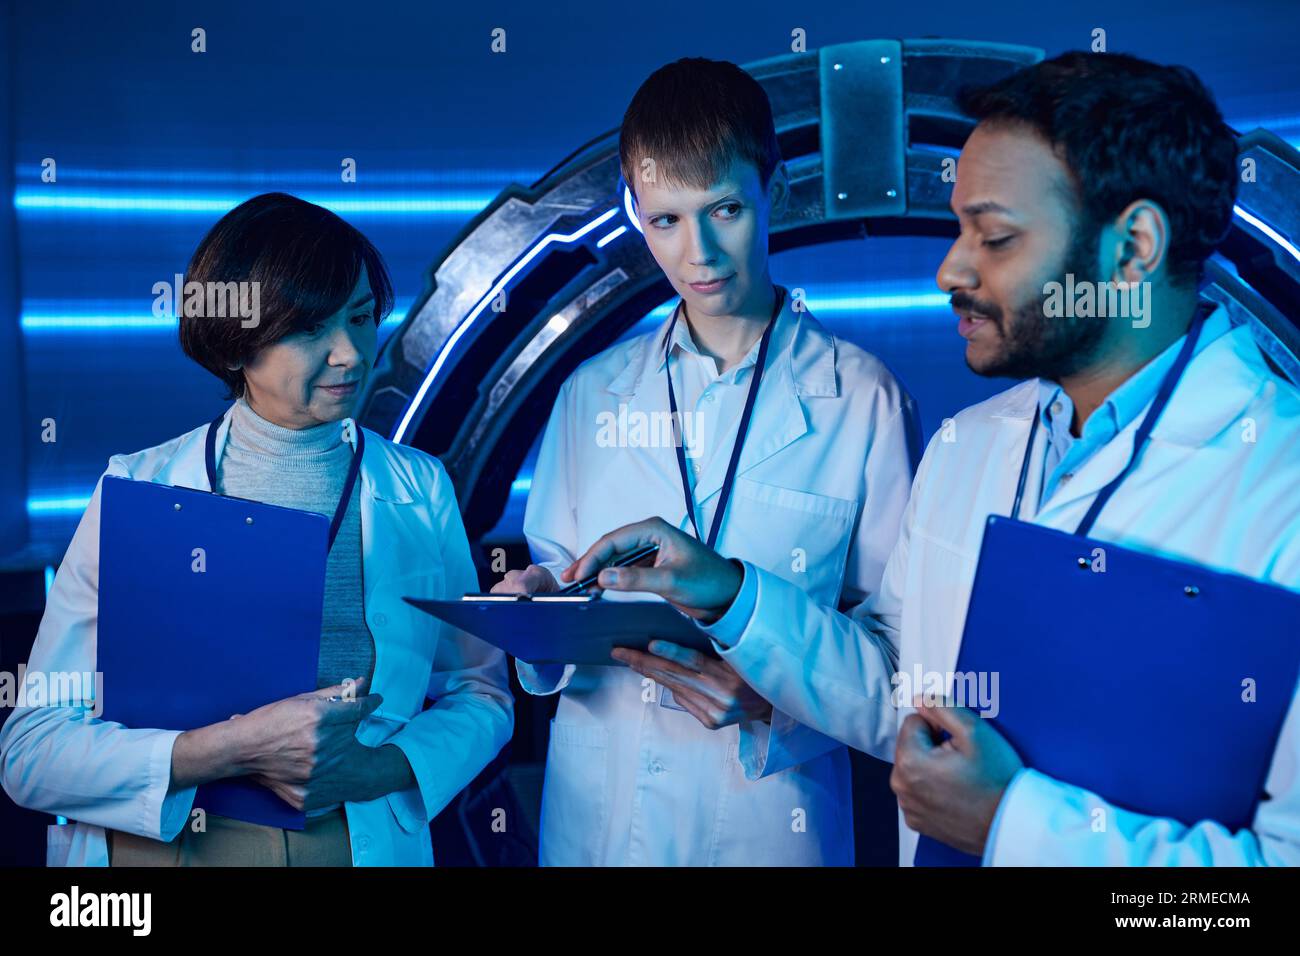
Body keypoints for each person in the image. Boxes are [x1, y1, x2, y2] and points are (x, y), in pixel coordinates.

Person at [564, 52, 1300, 865]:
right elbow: (895, 698)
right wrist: (730, 594)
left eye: (994, 236)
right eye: (959, 229)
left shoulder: (1278, 481)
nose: (950, 268)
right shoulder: (969, 447)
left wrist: (1010, 828)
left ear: (1133, 250)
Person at [0, 192, 514, 866]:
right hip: (167, 847)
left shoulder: (419, 489)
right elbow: (32, 751)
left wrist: (377, 770)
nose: (350, 354)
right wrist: (224, 750)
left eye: (361, 318)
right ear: (234, 341)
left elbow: (480, 692)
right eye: (309, 330)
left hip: (350, 839)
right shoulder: (139, 489)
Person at [493, 57, 921, 865]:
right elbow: (556, 577)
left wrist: (774, 706)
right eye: (665, 221)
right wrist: (538, 602)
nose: (699, 254)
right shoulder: (592, 395)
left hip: (768, 822)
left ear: (776, 191)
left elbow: (901, 667)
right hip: (597, 822)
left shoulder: (865, 401)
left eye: (724, 209)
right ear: (634, 213)